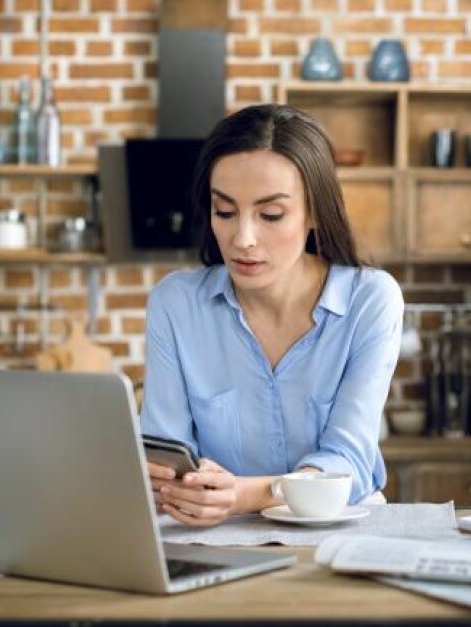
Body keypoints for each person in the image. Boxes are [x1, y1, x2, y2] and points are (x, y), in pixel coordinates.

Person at [139, 104, 404, 527]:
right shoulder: (176, 304)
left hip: (339, 533)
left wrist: (244, 494)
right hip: (213, 537)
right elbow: (164, 452)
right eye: (224, 212)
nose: (242, 239)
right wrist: (166, 483)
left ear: (315, 212)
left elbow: (348, 461)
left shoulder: (369, 301)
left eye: (271, 215)